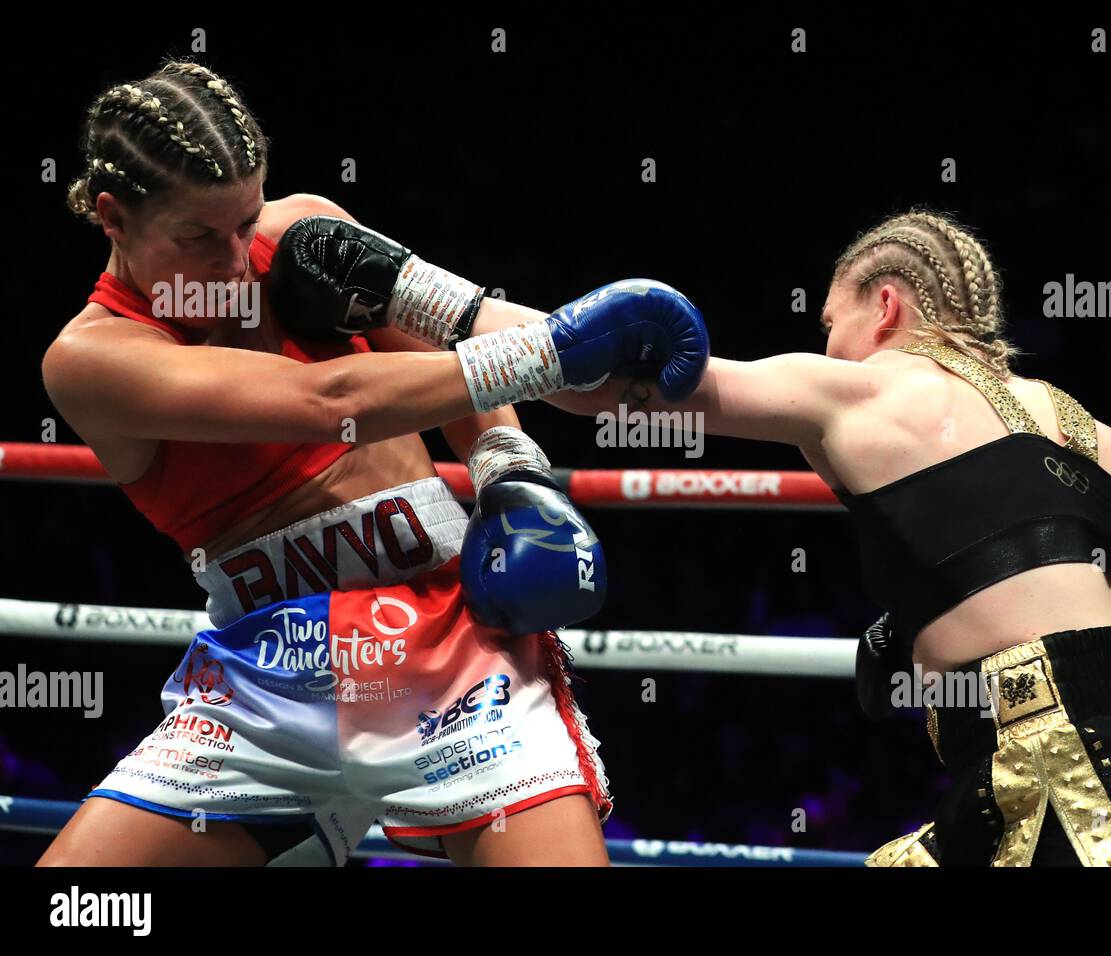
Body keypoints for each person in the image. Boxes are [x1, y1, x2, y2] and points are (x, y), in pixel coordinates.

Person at [36, 59, 707, 867]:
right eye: (199, 238)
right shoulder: (92, 358)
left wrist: (506, 464)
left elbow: (445, 344)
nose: (234, 257)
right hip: (267, 676)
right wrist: (549, 352)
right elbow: (332, 401)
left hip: (450, 639)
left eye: (246, 220)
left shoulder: (300, 231)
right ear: (112, 217)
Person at [545, 209, 1111, 866]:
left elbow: (603, 373)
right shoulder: (1104, 439)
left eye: (830, 321)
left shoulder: (870, 392)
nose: (826, 345)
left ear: (884, 308)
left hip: (1074, 795)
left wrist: (448, 303)